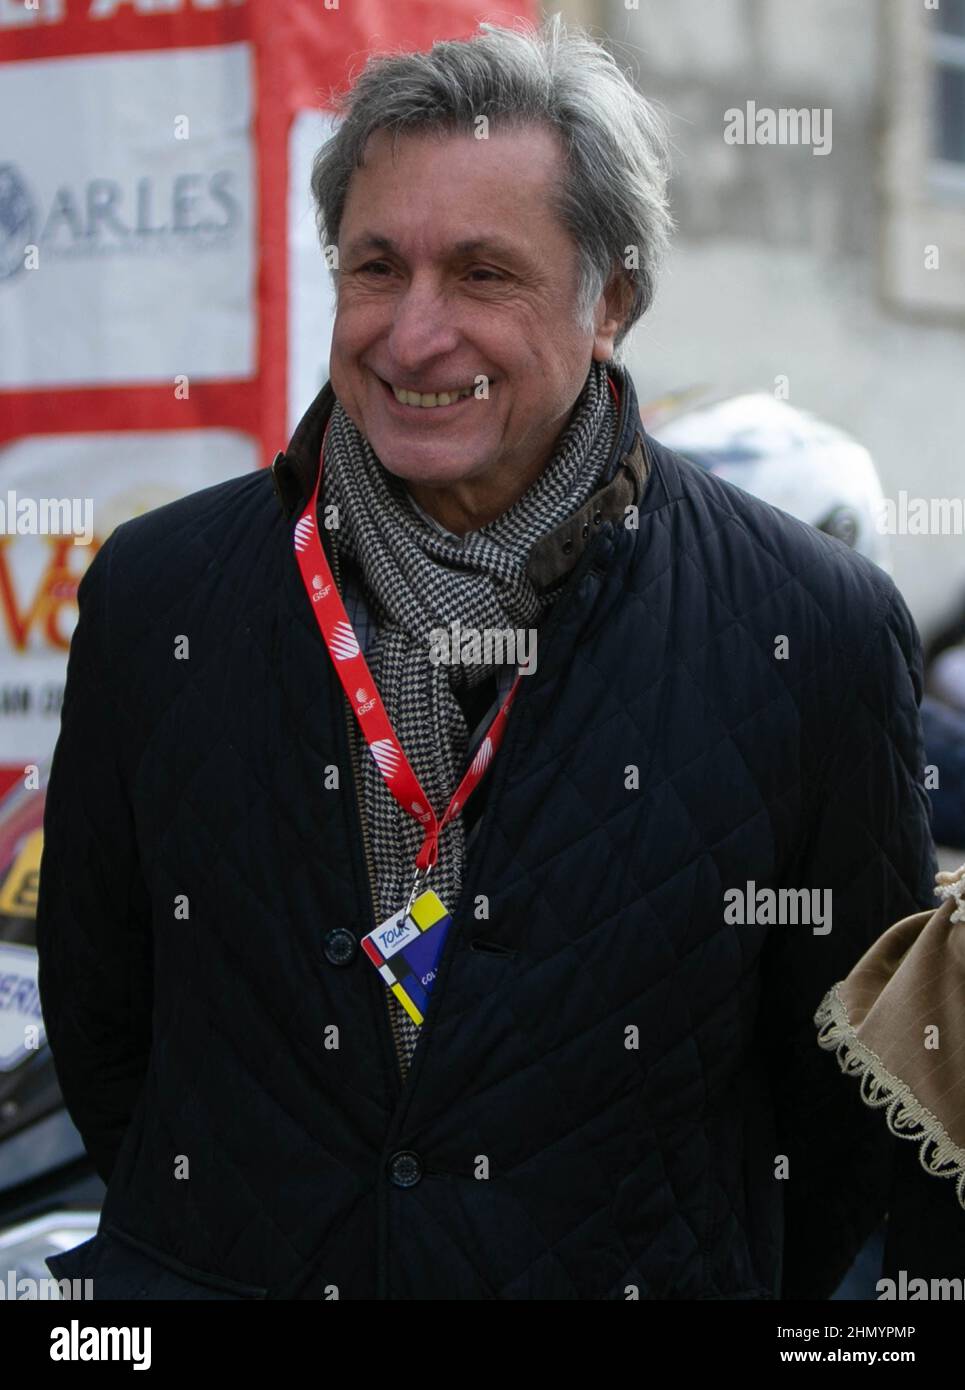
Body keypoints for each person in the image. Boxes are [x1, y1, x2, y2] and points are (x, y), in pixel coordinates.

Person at [37, 15, 936, 1300]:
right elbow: (109, 1027)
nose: (412, 336)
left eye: (481, 274)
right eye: (375, 268)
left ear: (609, 298)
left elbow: (845, 1103)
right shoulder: (159, 594)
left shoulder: (814, 631)